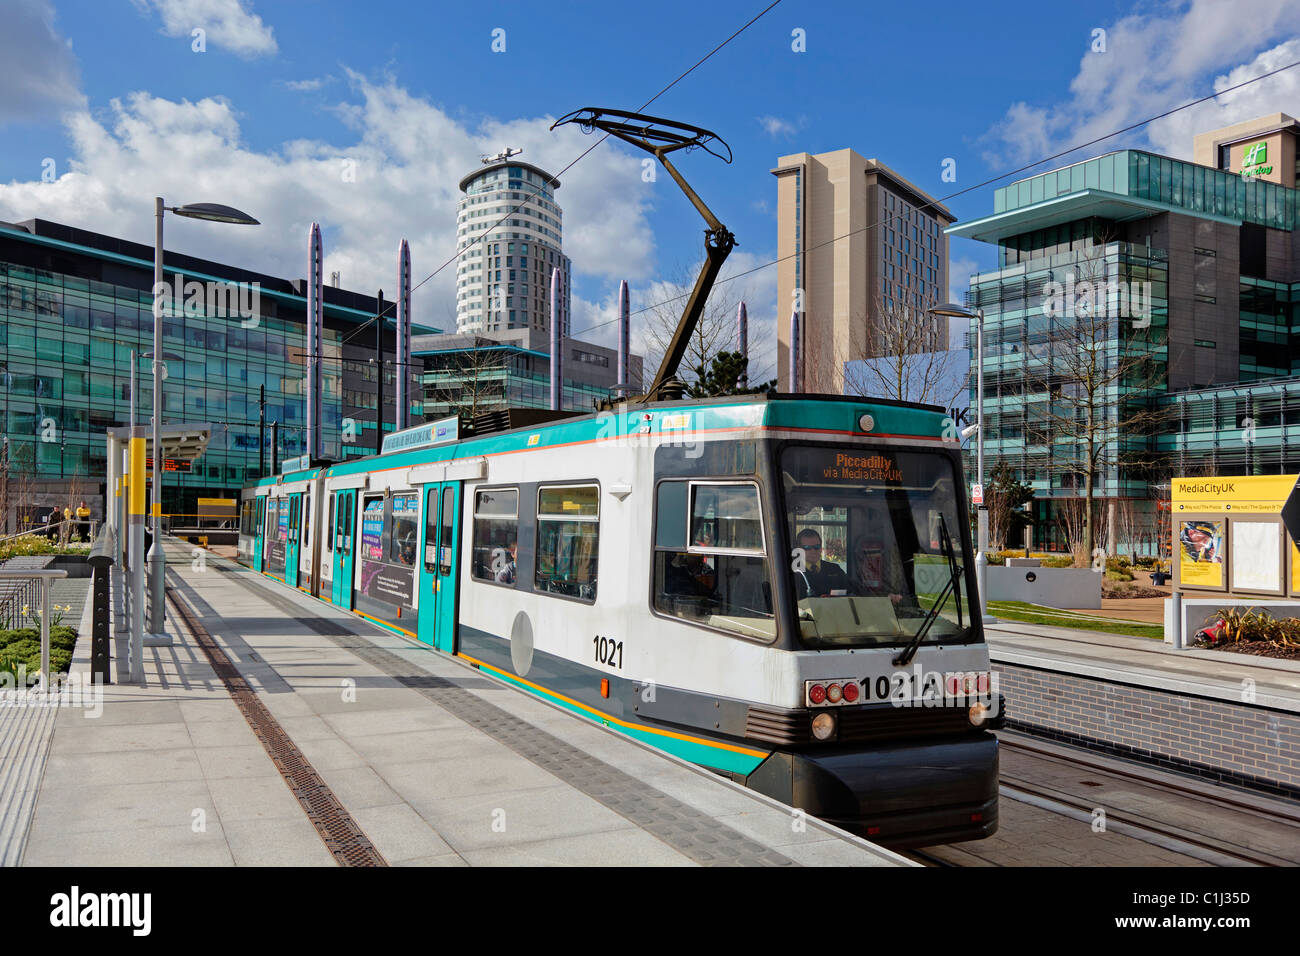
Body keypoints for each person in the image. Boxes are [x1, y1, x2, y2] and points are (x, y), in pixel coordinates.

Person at [792, 528, 849, 598]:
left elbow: (849, 593)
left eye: (816, 547)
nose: (813, 551)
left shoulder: (834, 569)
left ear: (821, 548)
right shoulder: (795, 573)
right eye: (807, 547)